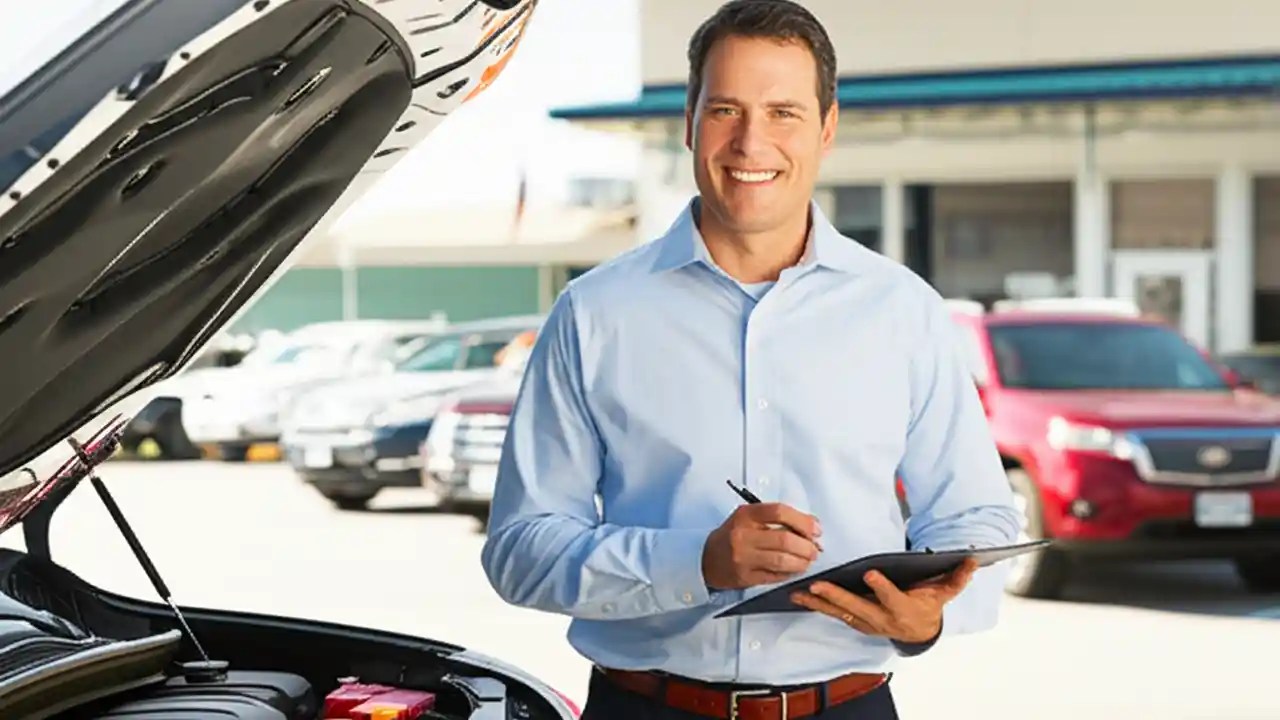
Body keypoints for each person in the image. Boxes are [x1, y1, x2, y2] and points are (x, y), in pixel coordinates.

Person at [480, 1, 1021, 717]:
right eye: (726, 110)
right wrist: (696, 563)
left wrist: (932, 614)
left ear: (827, 128)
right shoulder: (594, 314)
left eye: (784, 113)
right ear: (689, 122)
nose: (750, 142)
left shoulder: (903, 311)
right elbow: (521, 550)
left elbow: (974, 514)